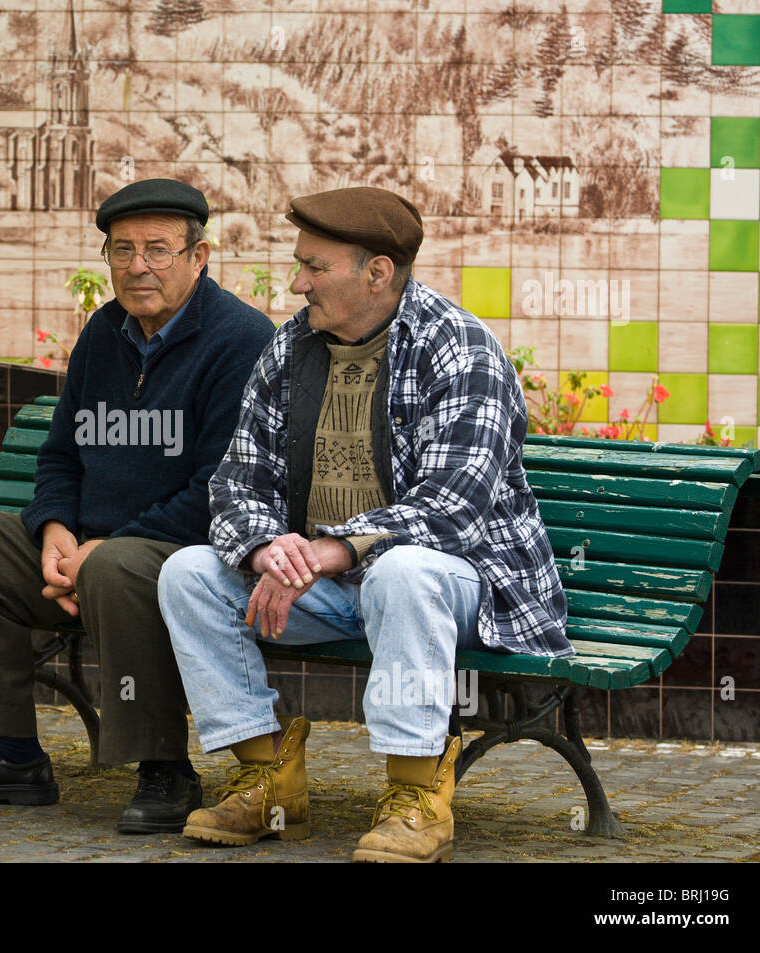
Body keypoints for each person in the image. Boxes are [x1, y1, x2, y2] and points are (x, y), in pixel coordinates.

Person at [157, 186, 572, 861]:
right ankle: (265, 772)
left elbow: (453, 506)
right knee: (189, 573)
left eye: (314, 267)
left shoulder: (460, 347)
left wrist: (331, 549)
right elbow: (237, 478)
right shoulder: (293, 348)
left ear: (377, 272)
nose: (298, 282)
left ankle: (417, 794)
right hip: (328, 582)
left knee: (402, 572)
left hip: (461, 586)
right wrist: (270, 548)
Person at [0, 178, 275, 834]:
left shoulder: (241, 340)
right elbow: (61, 457)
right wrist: (53, 532)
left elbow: (223, 488)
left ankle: (164, 766)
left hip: (187, 557)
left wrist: (102, 548)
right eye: (122, 250)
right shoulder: (105, 334)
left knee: (117, 567)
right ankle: (11, 753)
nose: (138, 267)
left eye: (158, 250)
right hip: (88, 553)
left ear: (201, 256)